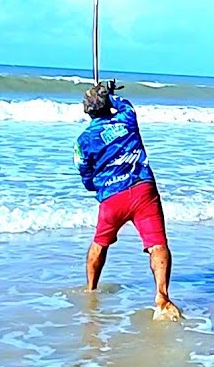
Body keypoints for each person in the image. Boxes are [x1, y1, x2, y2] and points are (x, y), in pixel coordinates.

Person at [74, 79, 182, 321]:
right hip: (143, 189)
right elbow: (126, 105)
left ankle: (91, 289)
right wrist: (109, 93)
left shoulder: (84, 140)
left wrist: (96, 187)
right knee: (157, 244)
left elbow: (85, 173)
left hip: (113, 197)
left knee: (99, 243)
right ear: (107, 105)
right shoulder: (126, 119)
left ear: (87, 110)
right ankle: (162, 297)